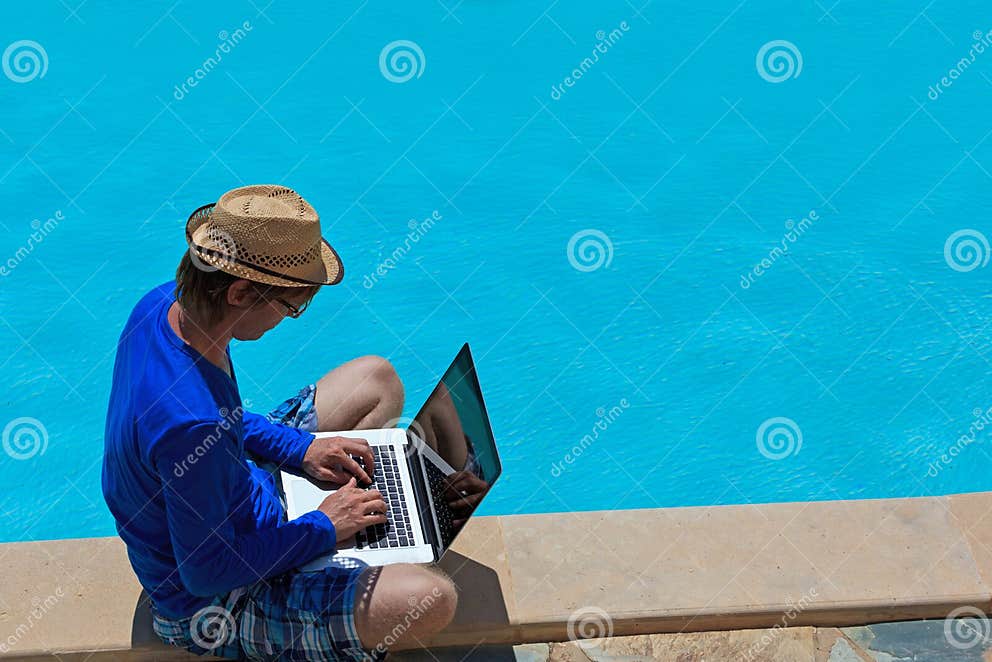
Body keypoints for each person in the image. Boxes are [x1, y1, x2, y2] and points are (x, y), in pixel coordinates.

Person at [101, 185, 457, 660]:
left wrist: (299, 448)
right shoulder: (192, 428)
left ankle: (355, 551)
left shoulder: (164, 305)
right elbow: (205, 573)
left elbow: (220, 419)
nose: (288, 320)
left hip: (234, 489)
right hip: (214, 602)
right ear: (240, 292)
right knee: (431, 599)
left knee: (377, 379)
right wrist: (324, 526)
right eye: (290, 306)